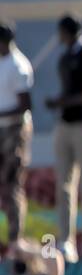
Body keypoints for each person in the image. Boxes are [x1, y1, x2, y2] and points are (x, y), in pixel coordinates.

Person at [46, 15, 82, 262]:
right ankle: (66, 240)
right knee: (64, 184)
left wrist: (64, 102)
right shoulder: (66, 57)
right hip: (66, 124)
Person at [0, 21, 34, 250]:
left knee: (12, 183)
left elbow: (25, 105)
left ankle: (15, 239)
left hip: (14, 129)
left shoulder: (18, 65)